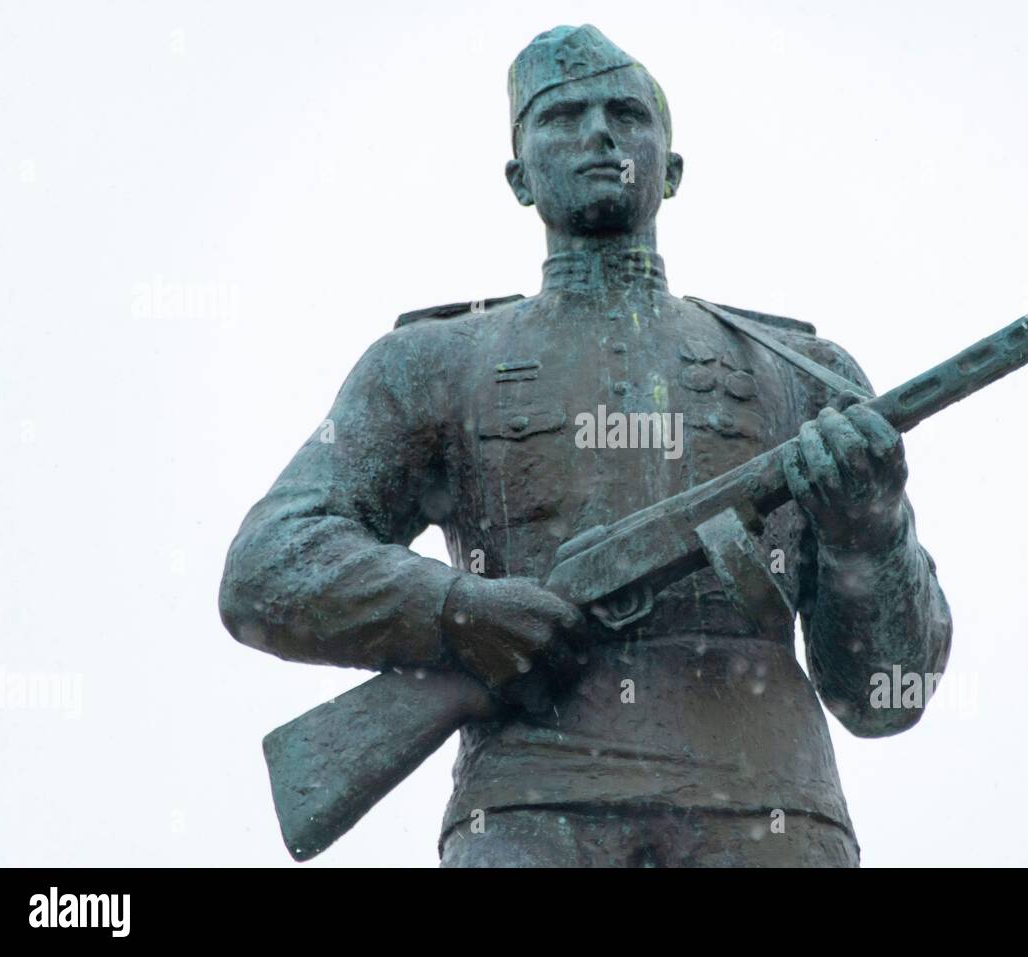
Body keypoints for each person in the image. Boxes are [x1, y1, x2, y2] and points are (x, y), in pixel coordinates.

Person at [219, 24, 952, 867]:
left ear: (671, 169)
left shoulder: (804, 374)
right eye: (562, 115)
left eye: (625, 113)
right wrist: (461, 612)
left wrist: (871, 528)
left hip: (770, 815)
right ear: (517, 175)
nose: (598, 133)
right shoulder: (432, 361)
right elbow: (268, 565)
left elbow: (885, 695)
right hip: (527, 814)